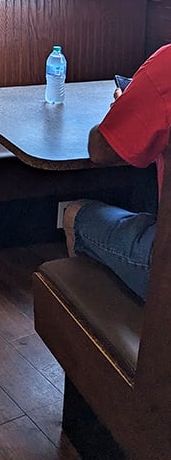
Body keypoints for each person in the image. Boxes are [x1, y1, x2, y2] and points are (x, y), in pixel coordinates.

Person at [63, 43, 171, 300]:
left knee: (75, 215)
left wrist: (122, 108)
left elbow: (101, 149)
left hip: (165, 267)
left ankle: (104, 333)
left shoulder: (166, 66)